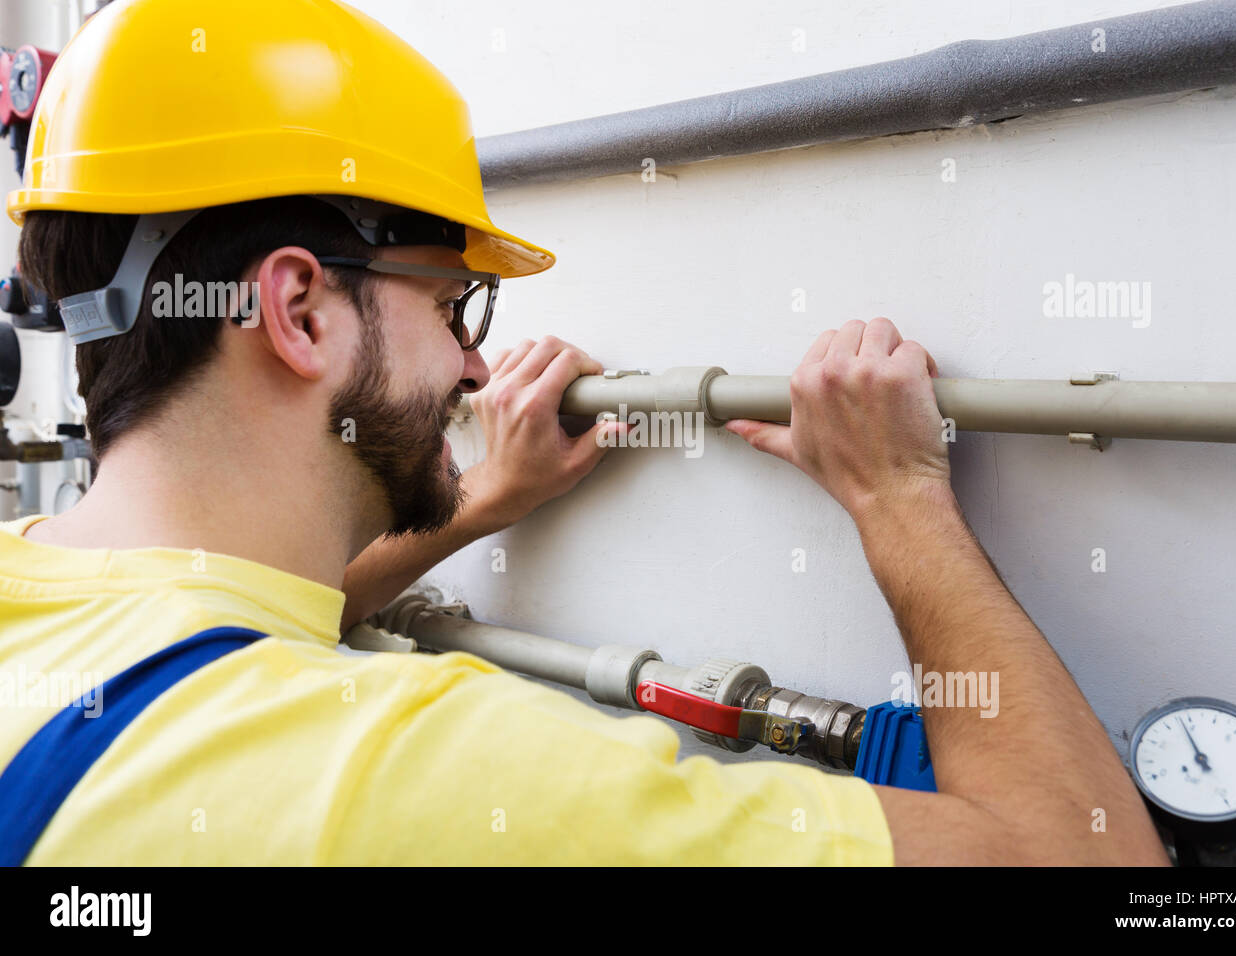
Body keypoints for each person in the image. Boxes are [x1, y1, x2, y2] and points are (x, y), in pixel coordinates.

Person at [0, 0, 1168, 865]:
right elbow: (1088, 858)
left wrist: (480, 499)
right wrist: (899, 497)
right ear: (300, 310)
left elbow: (232, 625)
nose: (472, 365)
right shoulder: (417, 775)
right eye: (455, 306)